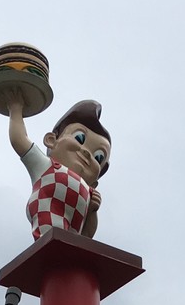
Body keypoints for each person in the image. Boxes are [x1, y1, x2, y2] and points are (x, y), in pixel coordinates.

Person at [6, 95, 111, 240]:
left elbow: (86, 235)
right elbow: (20, 140)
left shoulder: (88, 192)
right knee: (54, 241)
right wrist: (15, 109)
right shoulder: (46, 166)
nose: (87, 152)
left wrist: (93, 210)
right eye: (79, 138)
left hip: (73, 244)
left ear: (94, 182)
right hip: (49, 229)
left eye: (98, 157)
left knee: (74, 247)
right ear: (51, 140)